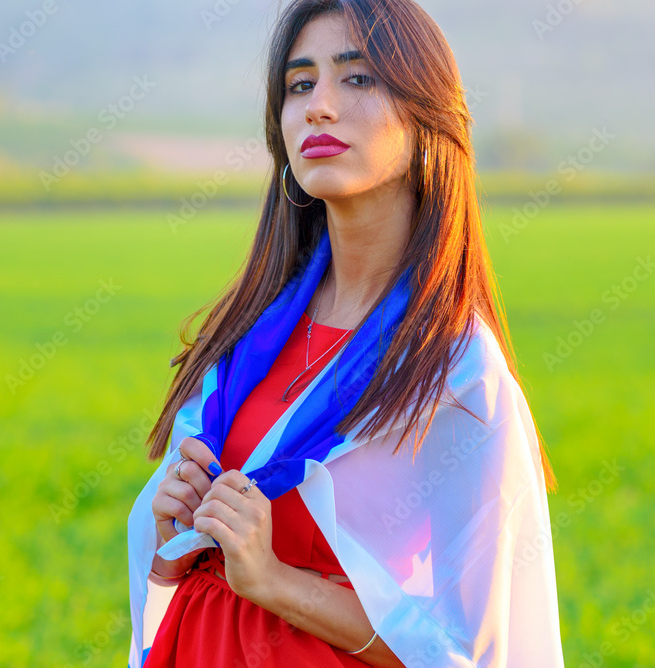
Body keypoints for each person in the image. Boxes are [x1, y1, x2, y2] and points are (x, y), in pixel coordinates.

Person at [126, 1, 564, 667]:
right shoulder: (249, 336)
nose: (318, 106)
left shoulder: (453, 368)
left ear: (426, 120)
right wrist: (178, 532)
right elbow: (182, 568)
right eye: (299, 85)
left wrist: (275, 581)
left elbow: (469, 646)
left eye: (357, 79)